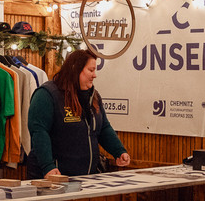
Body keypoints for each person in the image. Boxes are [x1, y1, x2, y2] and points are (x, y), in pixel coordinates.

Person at [27, 50, 130, 178]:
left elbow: (103, 128)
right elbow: (39, 132)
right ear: (75, 69)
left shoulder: (94, 96)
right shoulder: (47, 94)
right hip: (55, 177)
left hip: (86, 178)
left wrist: (119, 151)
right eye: (91, 70)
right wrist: (48, 166)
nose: (95, 75)